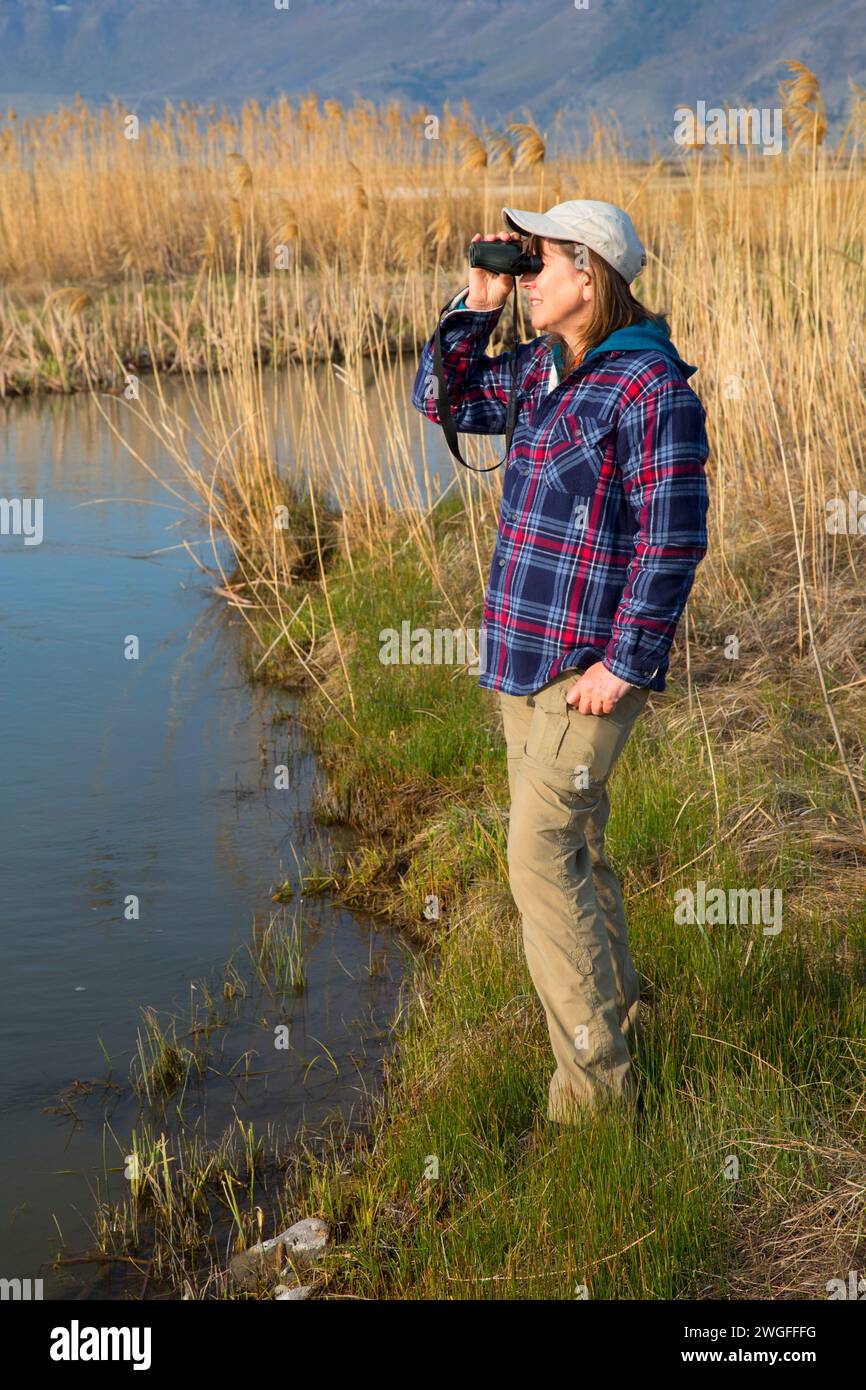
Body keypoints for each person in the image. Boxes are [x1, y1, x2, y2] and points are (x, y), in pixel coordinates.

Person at [412, 200, 710, 1122]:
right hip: (524, 660)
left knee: (537, 861)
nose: (527, 275)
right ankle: (622, 1013)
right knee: (576, 848)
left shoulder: (650, 390)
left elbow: (672, 543)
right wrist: (478, 299)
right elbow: (443, 400)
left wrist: (624, 665)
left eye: (538, 262)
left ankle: (596, 1102)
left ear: (592, 276)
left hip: (589, 674)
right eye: (524, 262)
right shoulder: (547, 369)